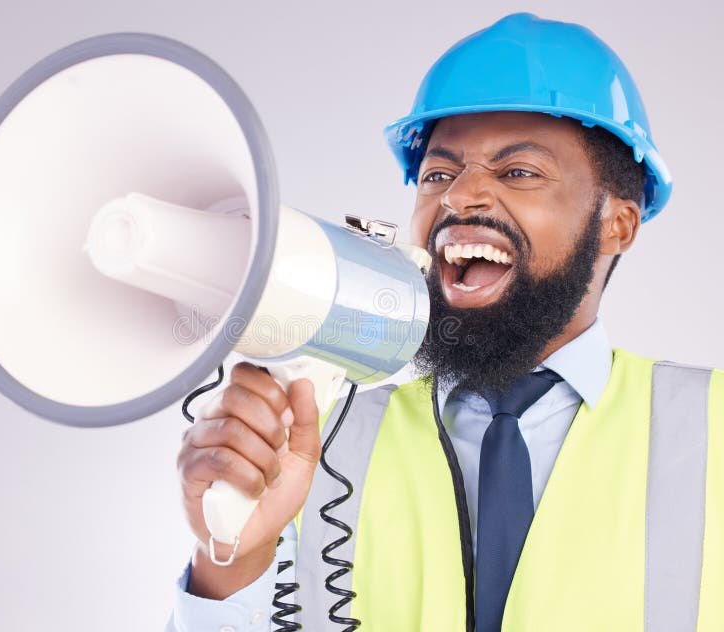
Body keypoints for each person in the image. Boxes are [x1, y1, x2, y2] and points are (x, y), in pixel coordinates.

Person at [168, 13, 723, 632]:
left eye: (518, 171)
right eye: (438, 174)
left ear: (617, 223)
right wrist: (232, 559)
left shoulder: (714, 426)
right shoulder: (312, 442)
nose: (459, 198)